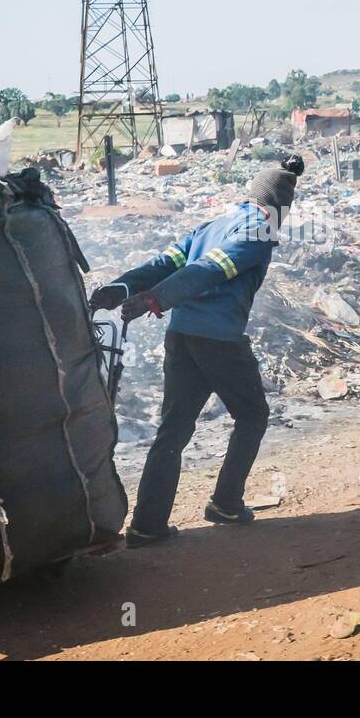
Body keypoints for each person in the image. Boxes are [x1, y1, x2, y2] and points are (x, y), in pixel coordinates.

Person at [89, 155, 304, 548]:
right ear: (278, 206)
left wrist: (123, 288)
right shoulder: (259, 230)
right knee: (253, 415)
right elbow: (211, 269)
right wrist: (150, 297)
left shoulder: (212, 225)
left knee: (173, 428)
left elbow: (165, 262)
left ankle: (147, 525)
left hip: (182, 337)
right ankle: (225, 503)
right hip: (219, 340)